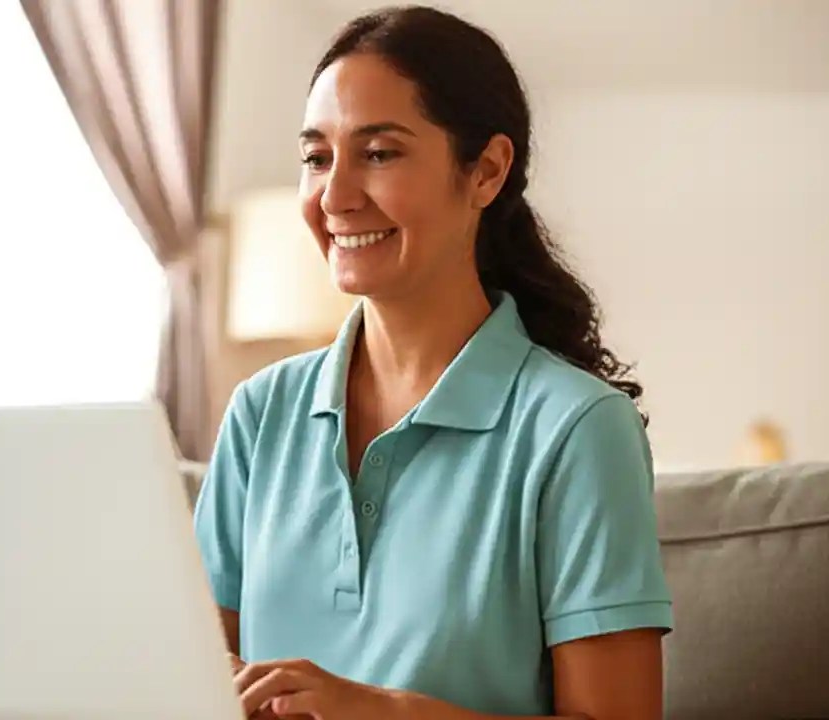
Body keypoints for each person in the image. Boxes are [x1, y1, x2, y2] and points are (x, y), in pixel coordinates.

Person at [193, 6, 673, 720]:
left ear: (485, 171)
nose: (335, 196)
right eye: (317, 157)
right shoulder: (261, 414)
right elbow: (191, 679)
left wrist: (383, 713)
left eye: (379, 153)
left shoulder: (577, 429)